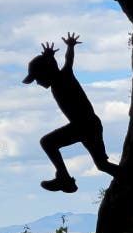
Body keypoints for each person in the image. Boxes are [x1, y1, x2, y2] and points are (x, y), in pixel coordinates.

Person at [22, 32, 120, 193]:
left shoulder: (64, 77)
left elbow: (68, 61)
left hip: (83, 125)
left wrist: (68, 47)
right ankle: (130, 177)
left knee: (47, 142)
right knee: (102, 165)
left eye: (37, 78)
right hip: (91, 125)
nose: (38, 83)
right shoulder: (61, 77)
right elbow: (67, 62)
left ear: (47, 72)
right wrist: (57, 53)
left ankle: (64, 179)